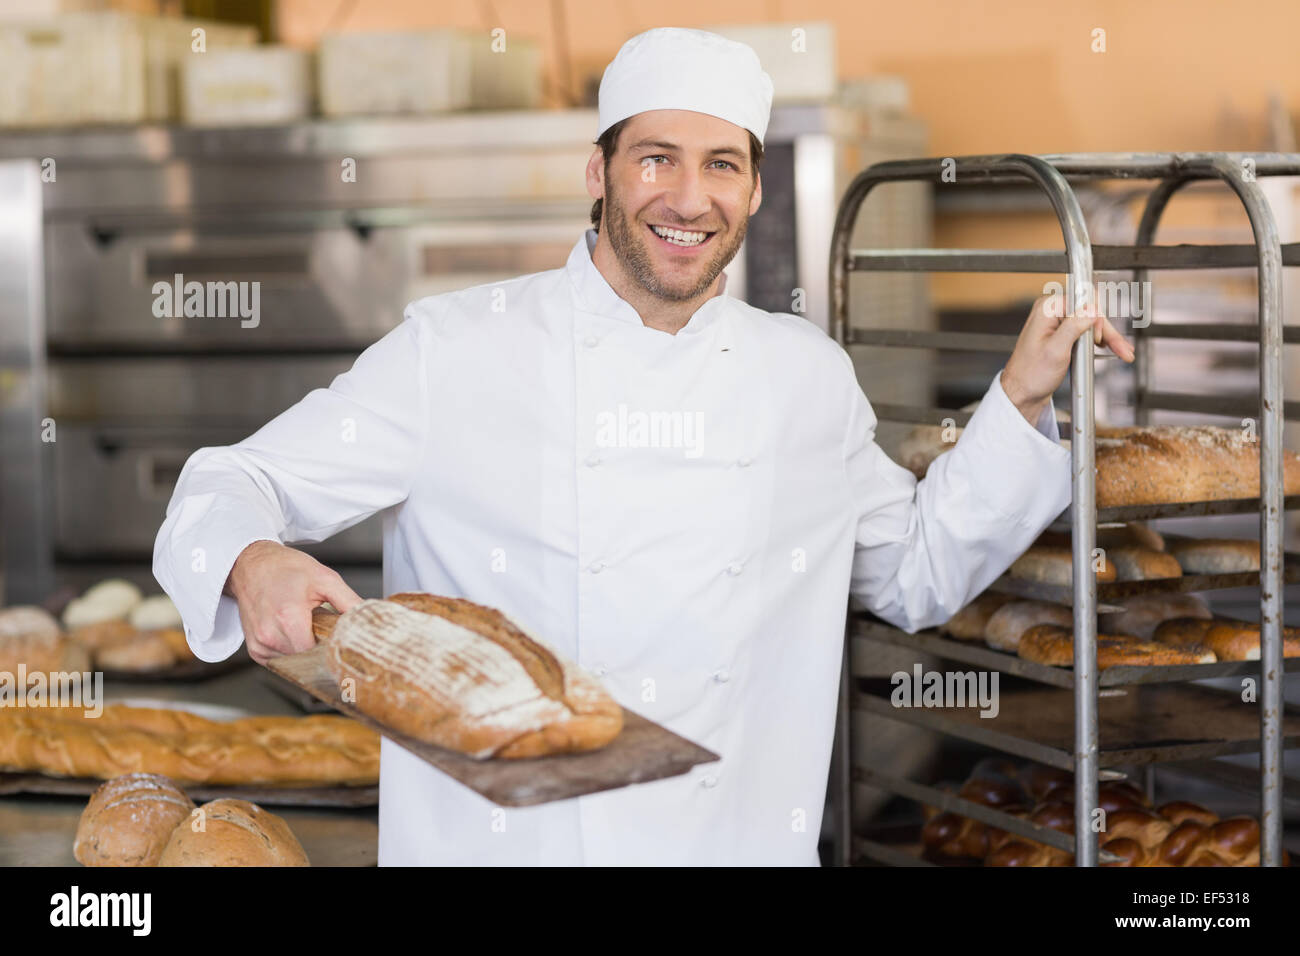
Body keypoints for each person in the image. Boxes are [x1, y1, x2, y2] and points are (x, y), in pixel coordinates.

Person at [153, 27, 1132, 865]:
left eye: (723, 165)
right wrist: (252, 555)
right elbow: (230, 479)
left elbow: (914, 574)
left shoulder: (805, 378)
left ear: (751, 191)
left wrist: (1020, 392)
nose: (689, 197)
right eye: (656, 157)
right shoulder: (455, 349)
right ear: (600, 172)